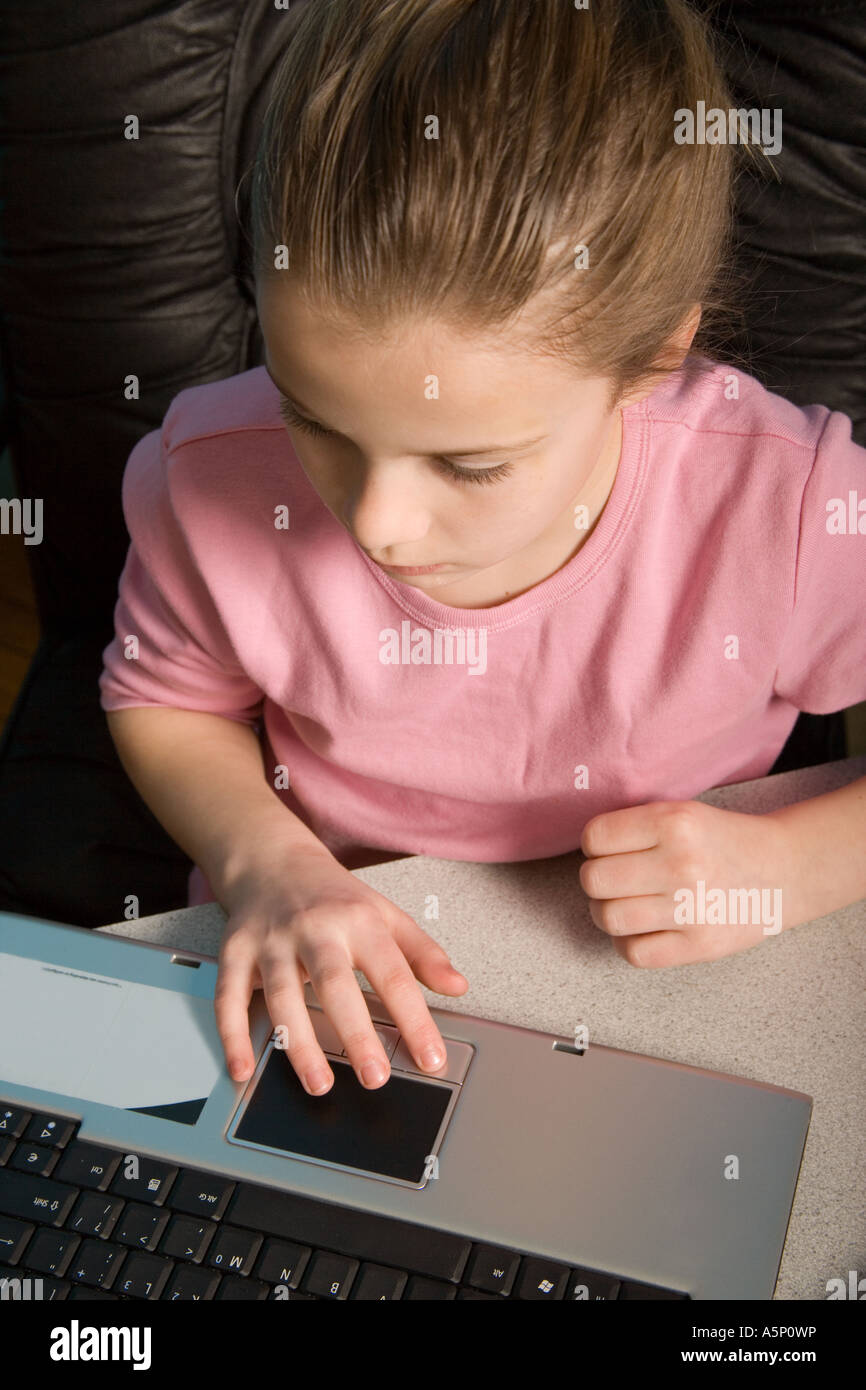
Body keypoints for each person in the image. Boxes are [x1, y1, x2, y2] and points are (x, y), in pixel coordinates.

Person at [99, 0, 866, 1100]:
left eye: (466, 465)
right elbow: (162, 696)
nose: (376, 525)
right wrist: (263, 863)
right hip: (323, 970)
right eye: (312, 416)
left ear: (654, 355)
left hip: (660, 1009)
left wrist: (792, 867)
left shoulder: (785, 511)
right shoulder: (210, 472)